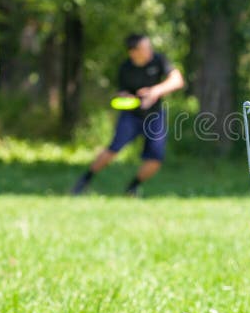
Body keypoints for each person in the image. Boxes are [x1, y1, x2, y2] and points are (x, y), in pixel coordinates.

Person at [71, 33, 185, 196]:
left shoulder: (159, 60)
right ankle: (85, 180)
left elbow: (177, 80)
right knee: (113, 150)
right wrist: (129, 98)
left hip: (155, 116)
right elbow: (121, 94)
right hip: (131, 116)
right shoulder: (125, 68)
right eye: (145, 48)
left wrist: (154, 91)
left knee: (155, 159)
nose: (149, 51)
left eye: (149, 47)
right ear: (133, 52)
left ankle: (132, 187)